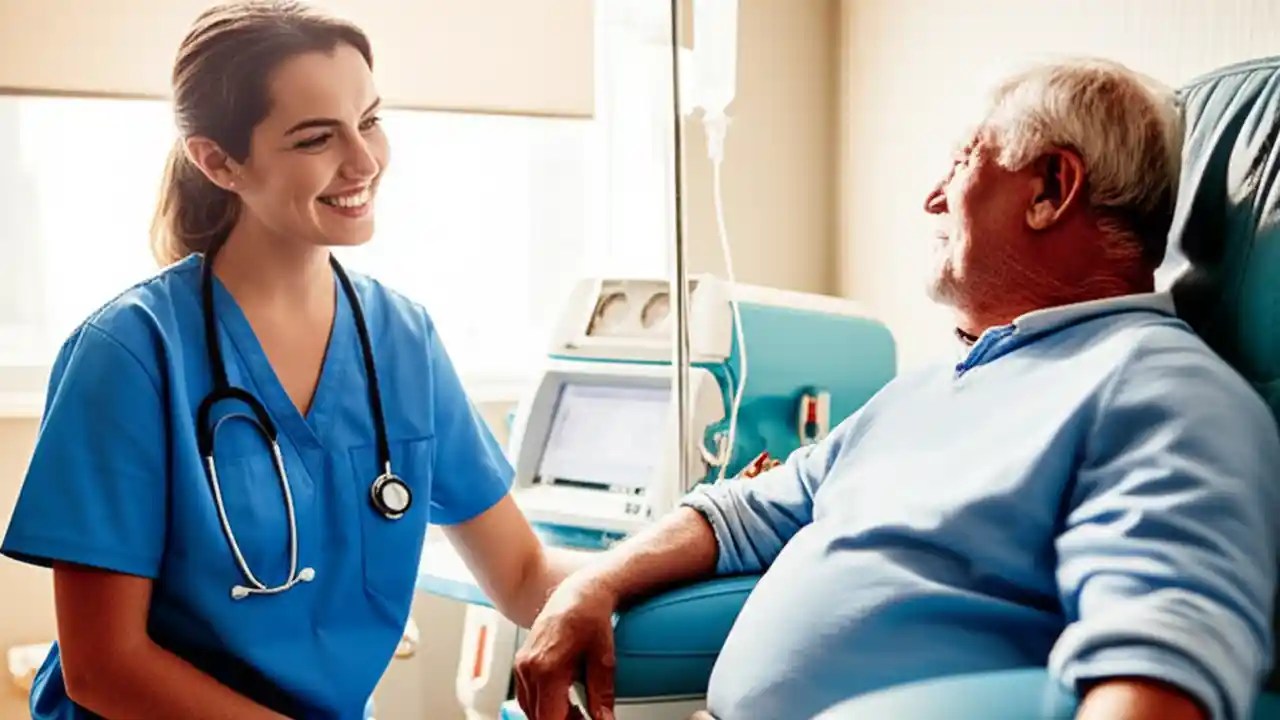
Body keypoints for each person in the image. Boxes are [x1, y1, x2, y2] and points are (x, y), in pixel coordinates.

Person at [513, 58, 1280, 720]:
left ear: (1051, 188)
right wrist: (595, 582)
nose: (932, 199)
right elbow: (748, 511)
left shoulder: (1160, 392)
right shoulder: (924, 392)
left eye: (963, 163)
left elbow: (1158, 671)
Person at [0, 2, 578, 718]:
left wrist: (673, 556)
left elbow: (521, 573)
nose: (364, 161)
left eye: (369, 121)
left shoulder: (403, 342)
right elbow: (104, 668)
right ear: (218, 161)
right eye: (316, 138)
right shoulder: (129, 354)